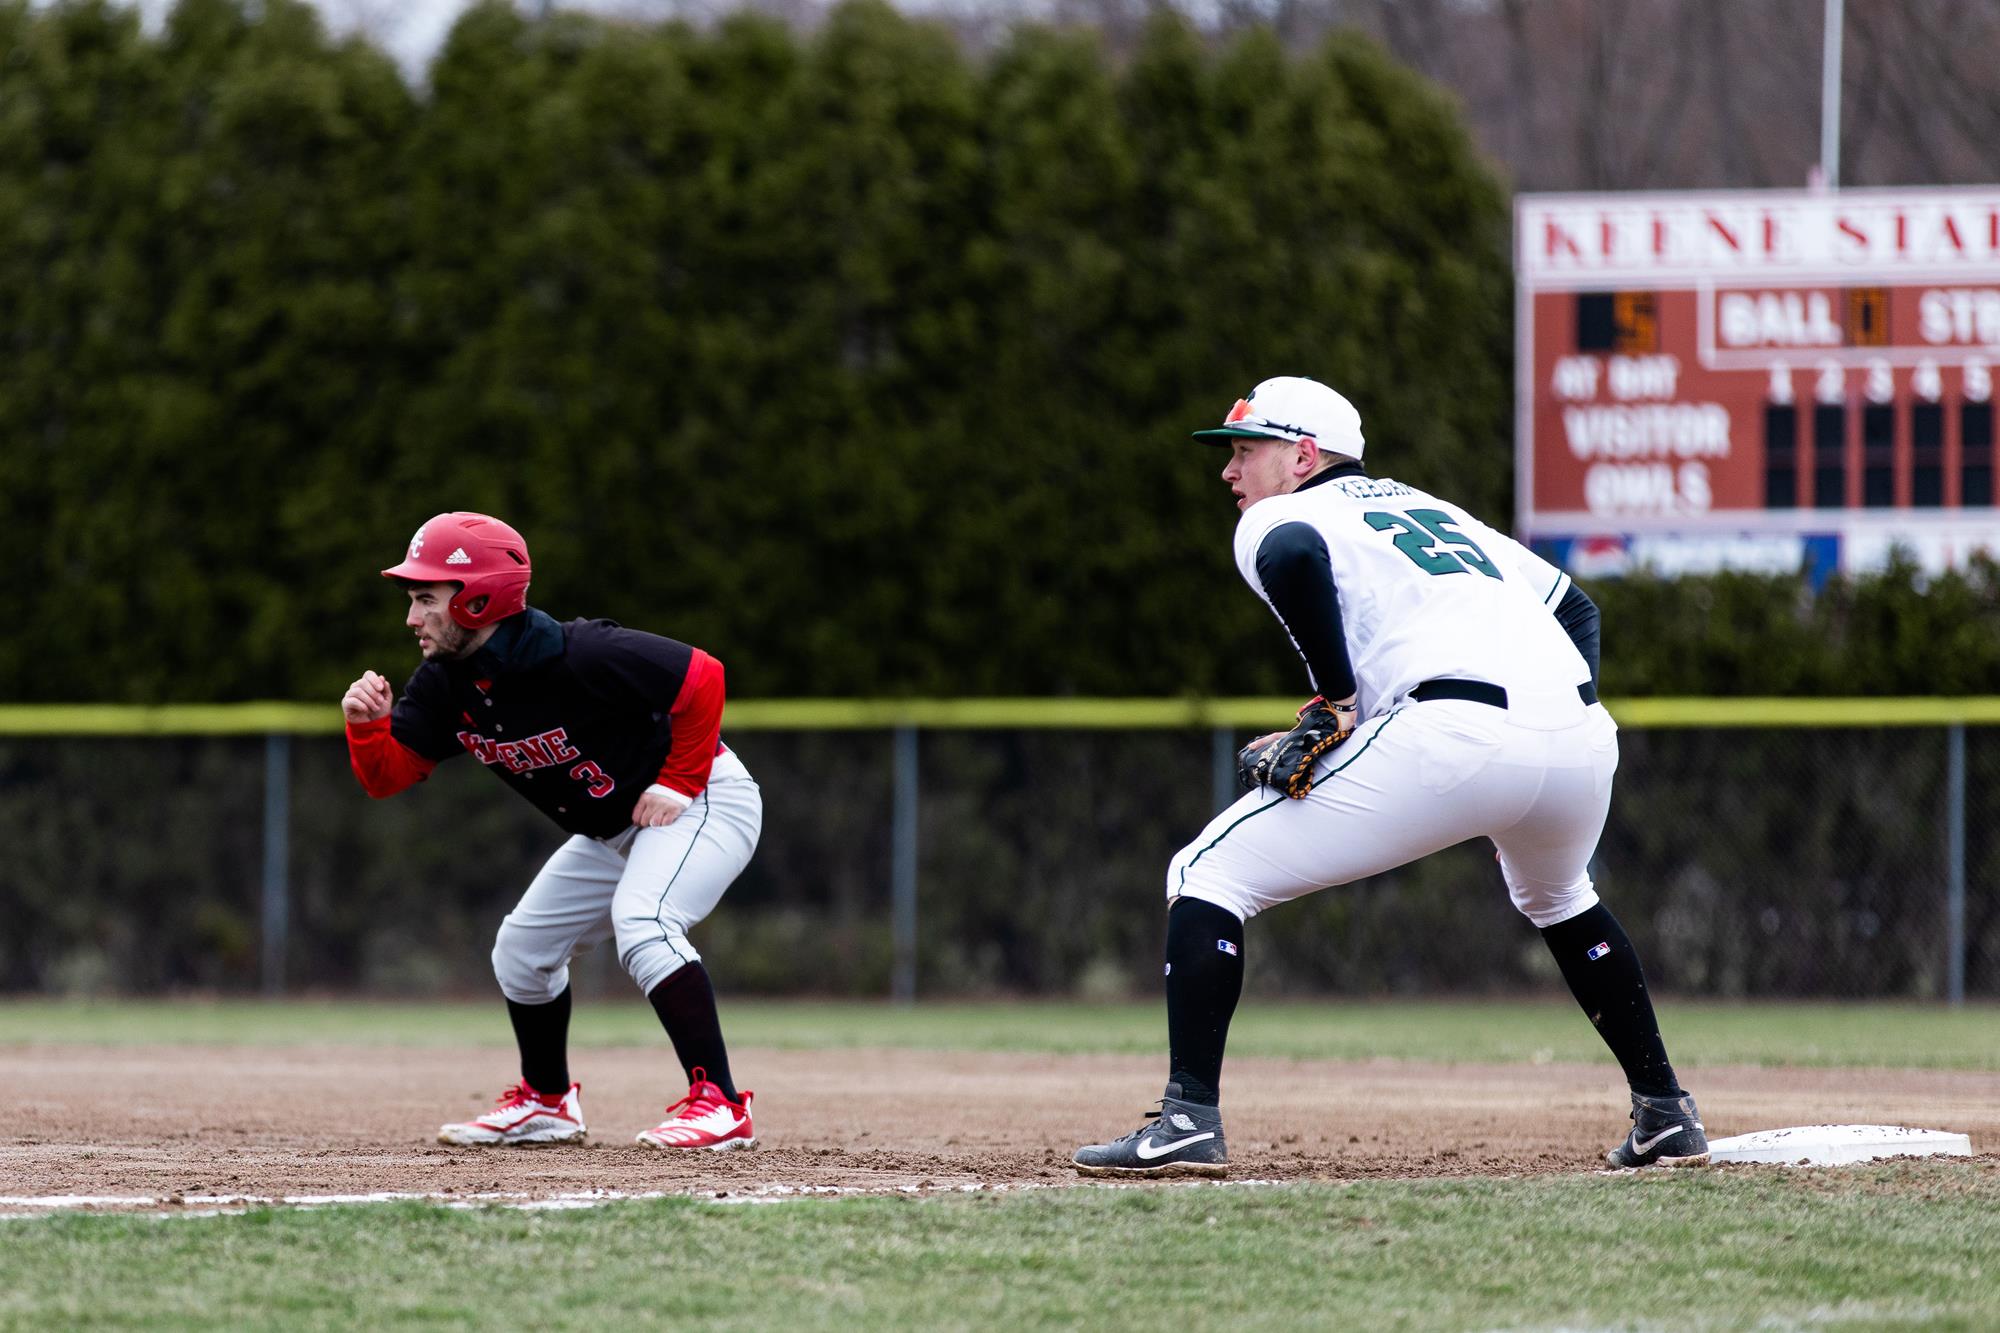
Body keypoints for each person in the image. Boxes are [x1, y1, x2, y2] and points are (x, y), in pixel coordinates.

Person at [1072, 377, 1708, 1177]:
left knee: (1207, 872)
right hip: (1581, 738)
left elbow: (1292, 552)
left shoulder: (1284, 513)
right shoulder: (1437, 513)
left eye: (1245, 451)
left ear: (1303, 456)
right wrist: (1548, 713)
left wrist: (1339, 704)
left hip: (1457, 730)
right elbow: (1577, 607)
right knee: (1560, 897)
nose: (1230, 474)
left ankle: (1188, 1117)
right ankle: (1664, 1111)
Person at [340, 511, 762, 1151]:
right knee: (521, 951)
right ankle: (547, 1102)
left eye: (427, 597)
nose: (411, 617)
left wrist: (677, 779)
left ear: (479, 597)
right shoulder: (444, 687)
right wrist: (368, 727)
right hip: (617, 830)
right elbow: (389, 777)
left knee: (642, 921)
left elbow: (702, 675)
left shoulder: (579, 653)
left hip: (704, 800)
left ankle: (720, 1102)